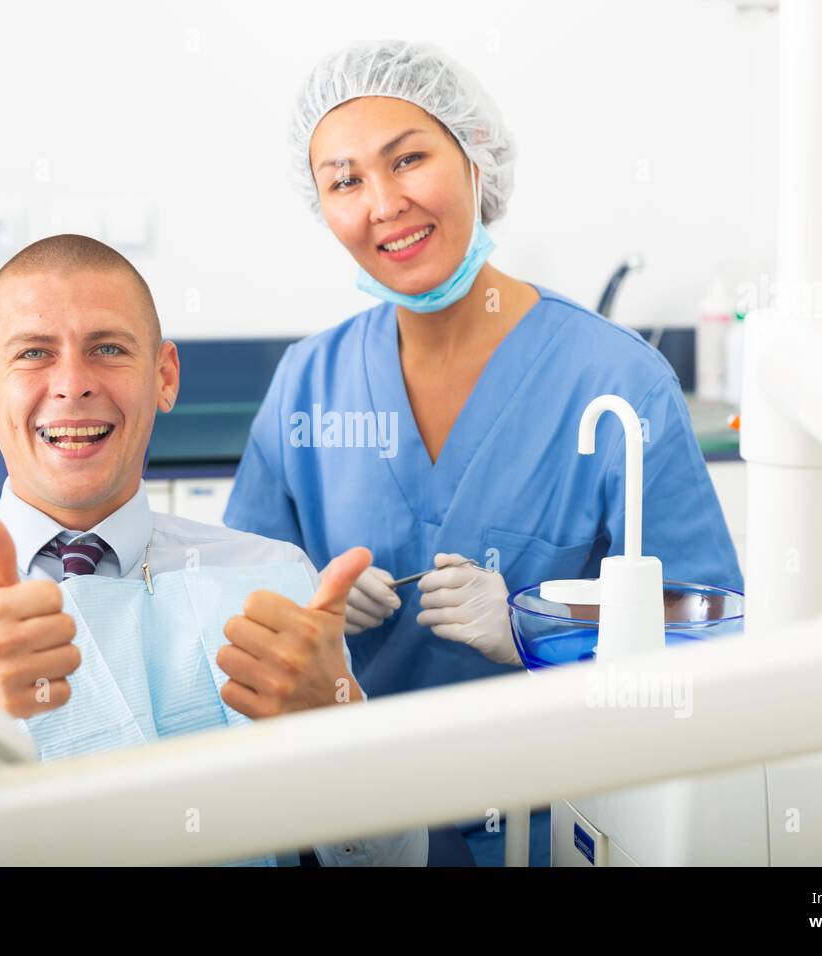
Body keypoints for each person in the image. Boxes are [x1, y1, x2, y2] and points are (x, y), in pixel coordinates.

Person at [223, 40, 742, 866]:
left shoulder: (616, 382)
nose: (384, 203)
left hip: (555, 831)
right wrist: (301, 600)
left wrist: (538, 628)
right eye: (345, 180)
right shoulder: (308, 383)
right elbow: (236, 607)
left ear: (475, 156)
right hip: (352, 827)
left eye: (409, 158)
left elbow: (706, 632)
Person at [0, 233, 426, 867]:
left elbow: (393, 862)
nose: (73, 384)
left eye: (107, 349)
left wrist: (342, 737)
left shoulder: (270, 579)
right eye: (34, 352)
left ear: (163, 378)